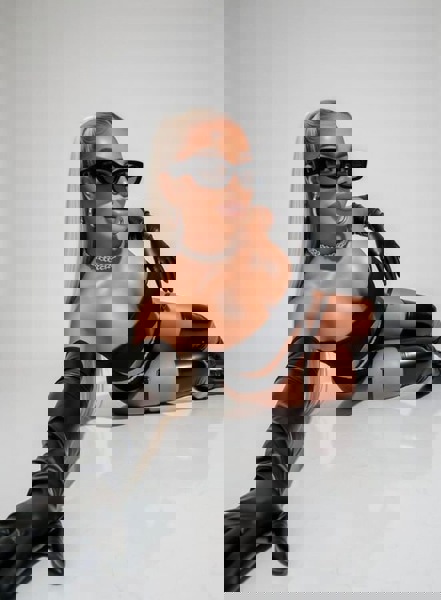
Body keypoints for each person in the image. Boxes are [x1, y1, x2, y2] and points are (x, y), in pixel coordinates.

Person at [0, 112, 222, 596]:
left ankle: (201, 373)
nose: (117, 185)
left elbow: (166, 291)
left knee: (197, 334)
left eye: (123, 173)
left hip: (153, 360)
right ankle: (42, 507)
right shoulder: (94, 281)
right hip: (134, 374)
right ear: (83, 182)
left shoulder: (139, 238)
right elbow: (75, 393)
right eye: (104, 173)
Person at [224, 102, 441, 591]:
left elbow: (380, 287)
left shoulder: (362, 233)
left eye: (343, 166)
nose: (337, 177)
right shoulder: (317, 256)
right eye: (325, 165)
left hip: (361, 344)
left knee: (419, 317)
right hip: (336, 363)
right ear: (308, 173)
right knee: (397, 358)